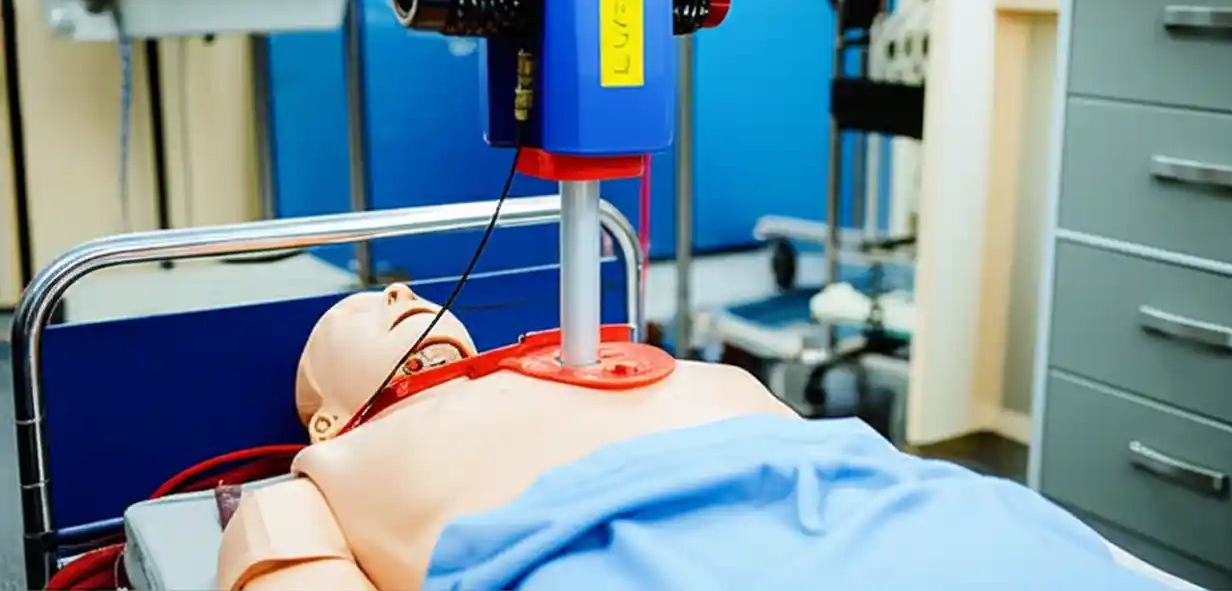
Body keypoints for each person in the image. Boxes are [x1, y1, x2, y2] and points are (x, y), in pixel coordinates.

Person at [218, 284, 1176, 590]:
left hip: (876, 504)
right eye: (366, 302)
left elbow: (835, 450)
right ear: (329, 417)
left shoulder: (609, 361)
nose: (399, 292)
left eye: (411, 290)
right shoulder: (326, 471)